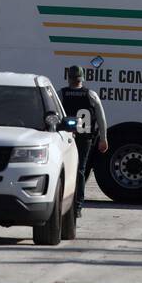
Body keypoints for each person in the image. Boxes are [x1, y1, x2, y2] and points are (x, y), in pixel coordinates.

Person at [60, 66, 108, 218]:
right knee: (80, 170)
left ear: (69, 78)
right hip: (85, 138)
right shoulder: (91, 95)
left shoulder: (61, 93)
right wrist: (103, 138)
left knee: (64, 170)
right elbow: (101, 119)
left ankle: (63, 201)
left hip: (66, 137)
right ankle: (78, 205)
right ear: (82, 78)